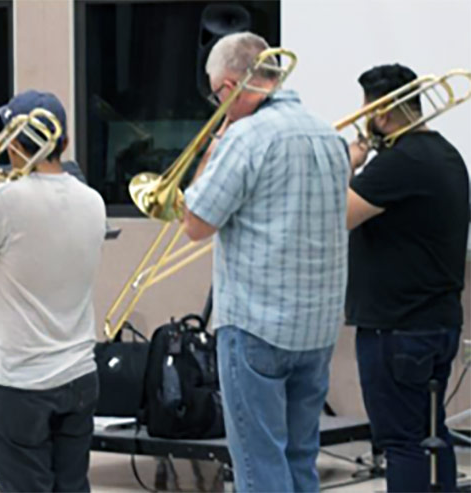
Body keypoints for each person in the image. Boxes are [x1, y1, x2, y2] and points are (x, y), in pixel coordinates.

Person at [182, 32, 350, 492]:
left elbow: (195, 223)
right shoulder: (328, 133)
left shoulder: (246, 137)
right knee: (300, 460)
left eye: (217, 94)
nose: (218, 106)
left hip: (257, 326)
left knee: (258, 468)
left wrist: (213, 151)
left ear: (234, 84)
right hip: (315, 329)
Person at [0, 90, 107, 492]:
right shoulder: (94, 201)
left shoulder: (4, 199)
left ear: (12, 143)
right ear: (65, 144)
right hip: (80, 375)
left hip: (19, 384)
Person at [345, 63, 469, 493]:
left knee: (401, 442)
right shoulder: (446, 154)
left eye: (365, 109)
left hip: (396, 328)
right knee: (432, 437)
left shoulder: (399, 162)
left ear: (381, 114)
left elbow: (335, 214)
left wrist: (350, 160)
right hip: (436, 321)